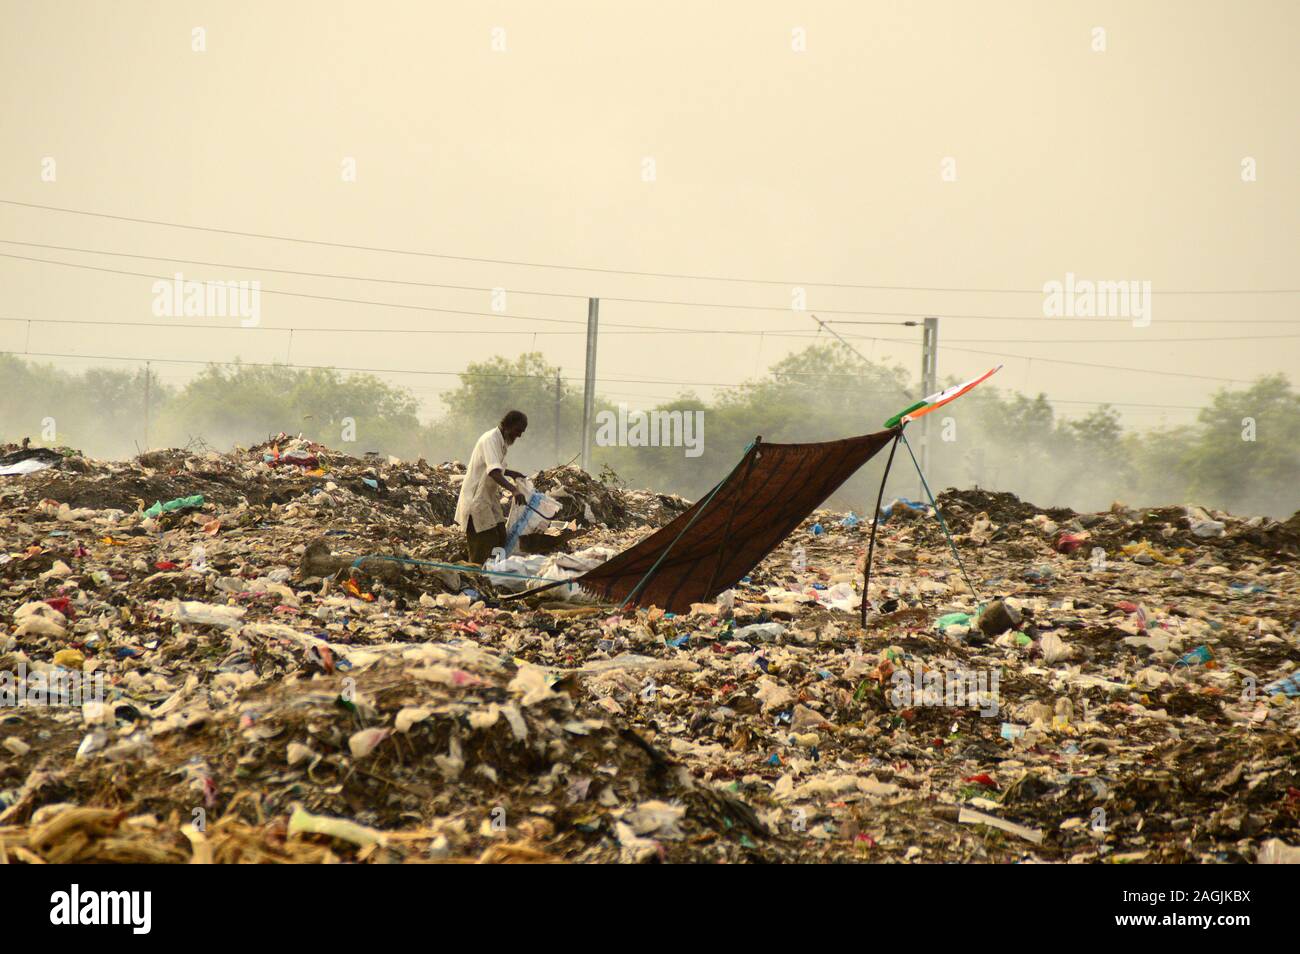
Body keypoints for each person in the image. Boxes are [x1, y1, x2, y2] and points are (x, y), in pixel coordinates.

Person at [455, 410, 529, 564]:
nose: (519, 435)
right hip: (476, 500)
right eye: (518, 430)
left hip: (488, 498)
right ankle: (474, 577)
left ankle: (491, 575)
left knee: (502, 536)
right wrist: (513, 490)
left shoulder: (501, 442)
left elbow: (495, 467)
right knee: (484, 543)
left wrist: (512, 473)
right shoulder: (490, 440)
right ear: (508, 425)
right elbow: (494, 471)